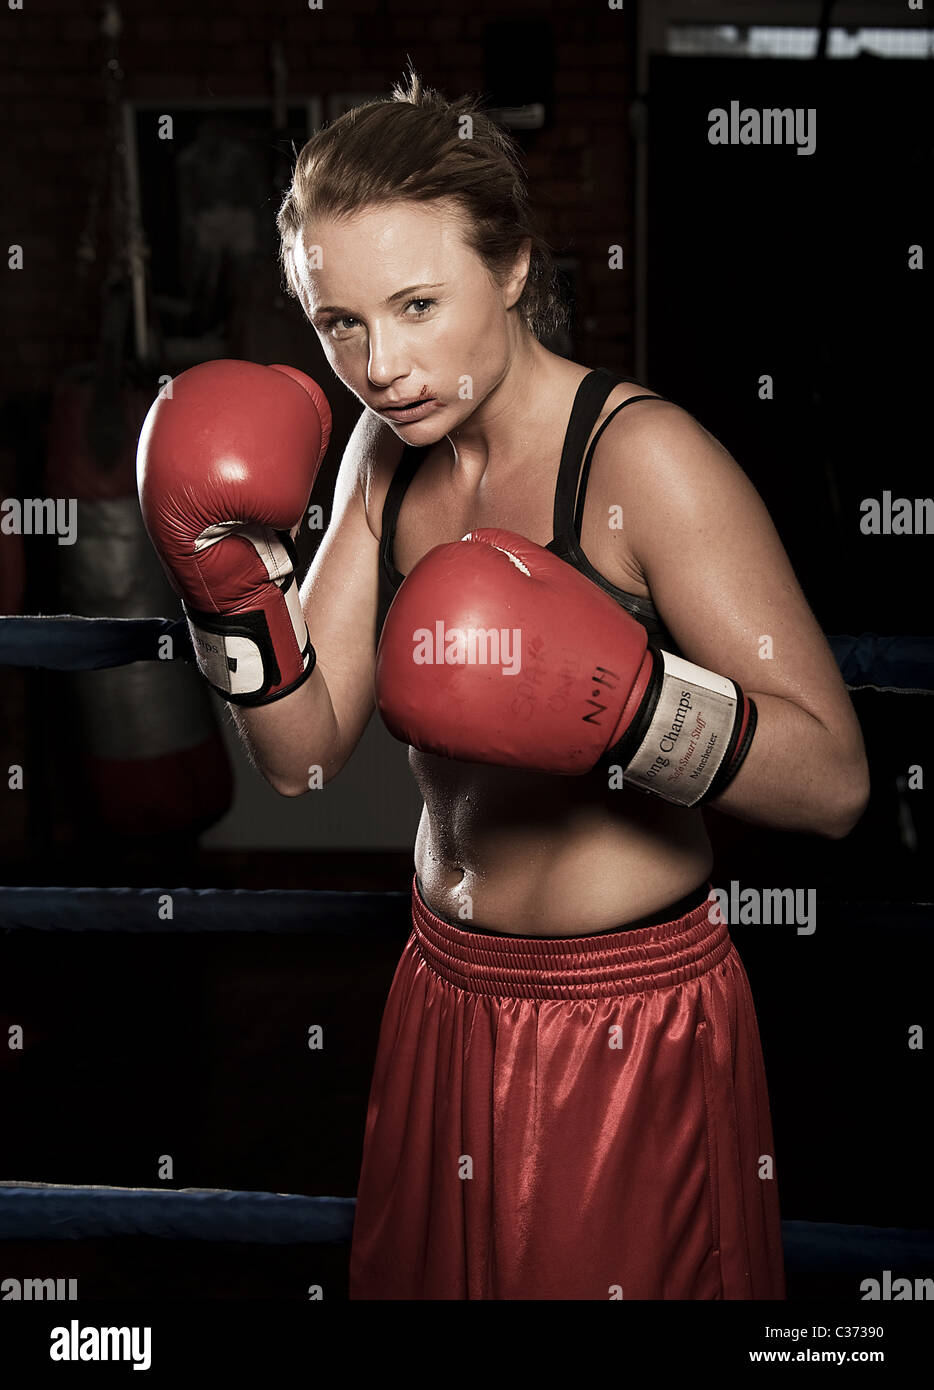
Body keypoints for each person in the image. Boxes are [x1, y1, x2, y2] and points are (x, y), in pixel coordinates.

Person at [139, 71, 869, 1299]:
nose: (382, 364)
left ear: (515, 269)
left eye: (419, 304)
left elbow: (837, 782)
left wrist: (627, 708)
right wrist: (226, 583)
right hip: (442, 990)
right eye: (341, 324)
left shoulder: (646, 457)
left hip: (621, 1019)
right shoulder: (384, 453)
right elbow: (301, 755)